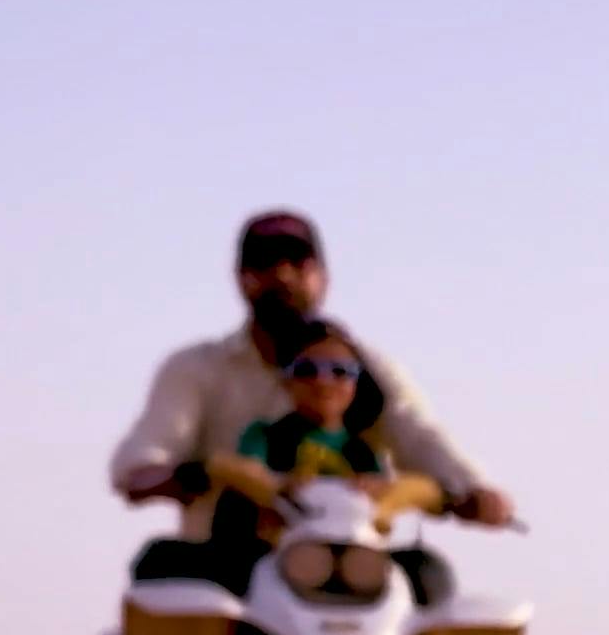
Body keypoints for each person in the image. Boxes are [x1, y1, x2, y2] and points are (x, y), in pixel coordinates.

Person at [107, 212, 516, 544]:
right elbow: (143, 459)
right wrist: (175, 476)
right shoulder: (195, 368)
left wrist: (474, 491)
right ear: (242, 279)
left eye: (297, 263)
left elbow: (417, 432)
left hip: (353, 561)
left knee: (435, 585)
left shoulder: (369, 368)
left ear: (322, 278)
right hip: (231, 565)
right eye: (265, 264)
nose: (282, 276)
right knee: (161, 579)